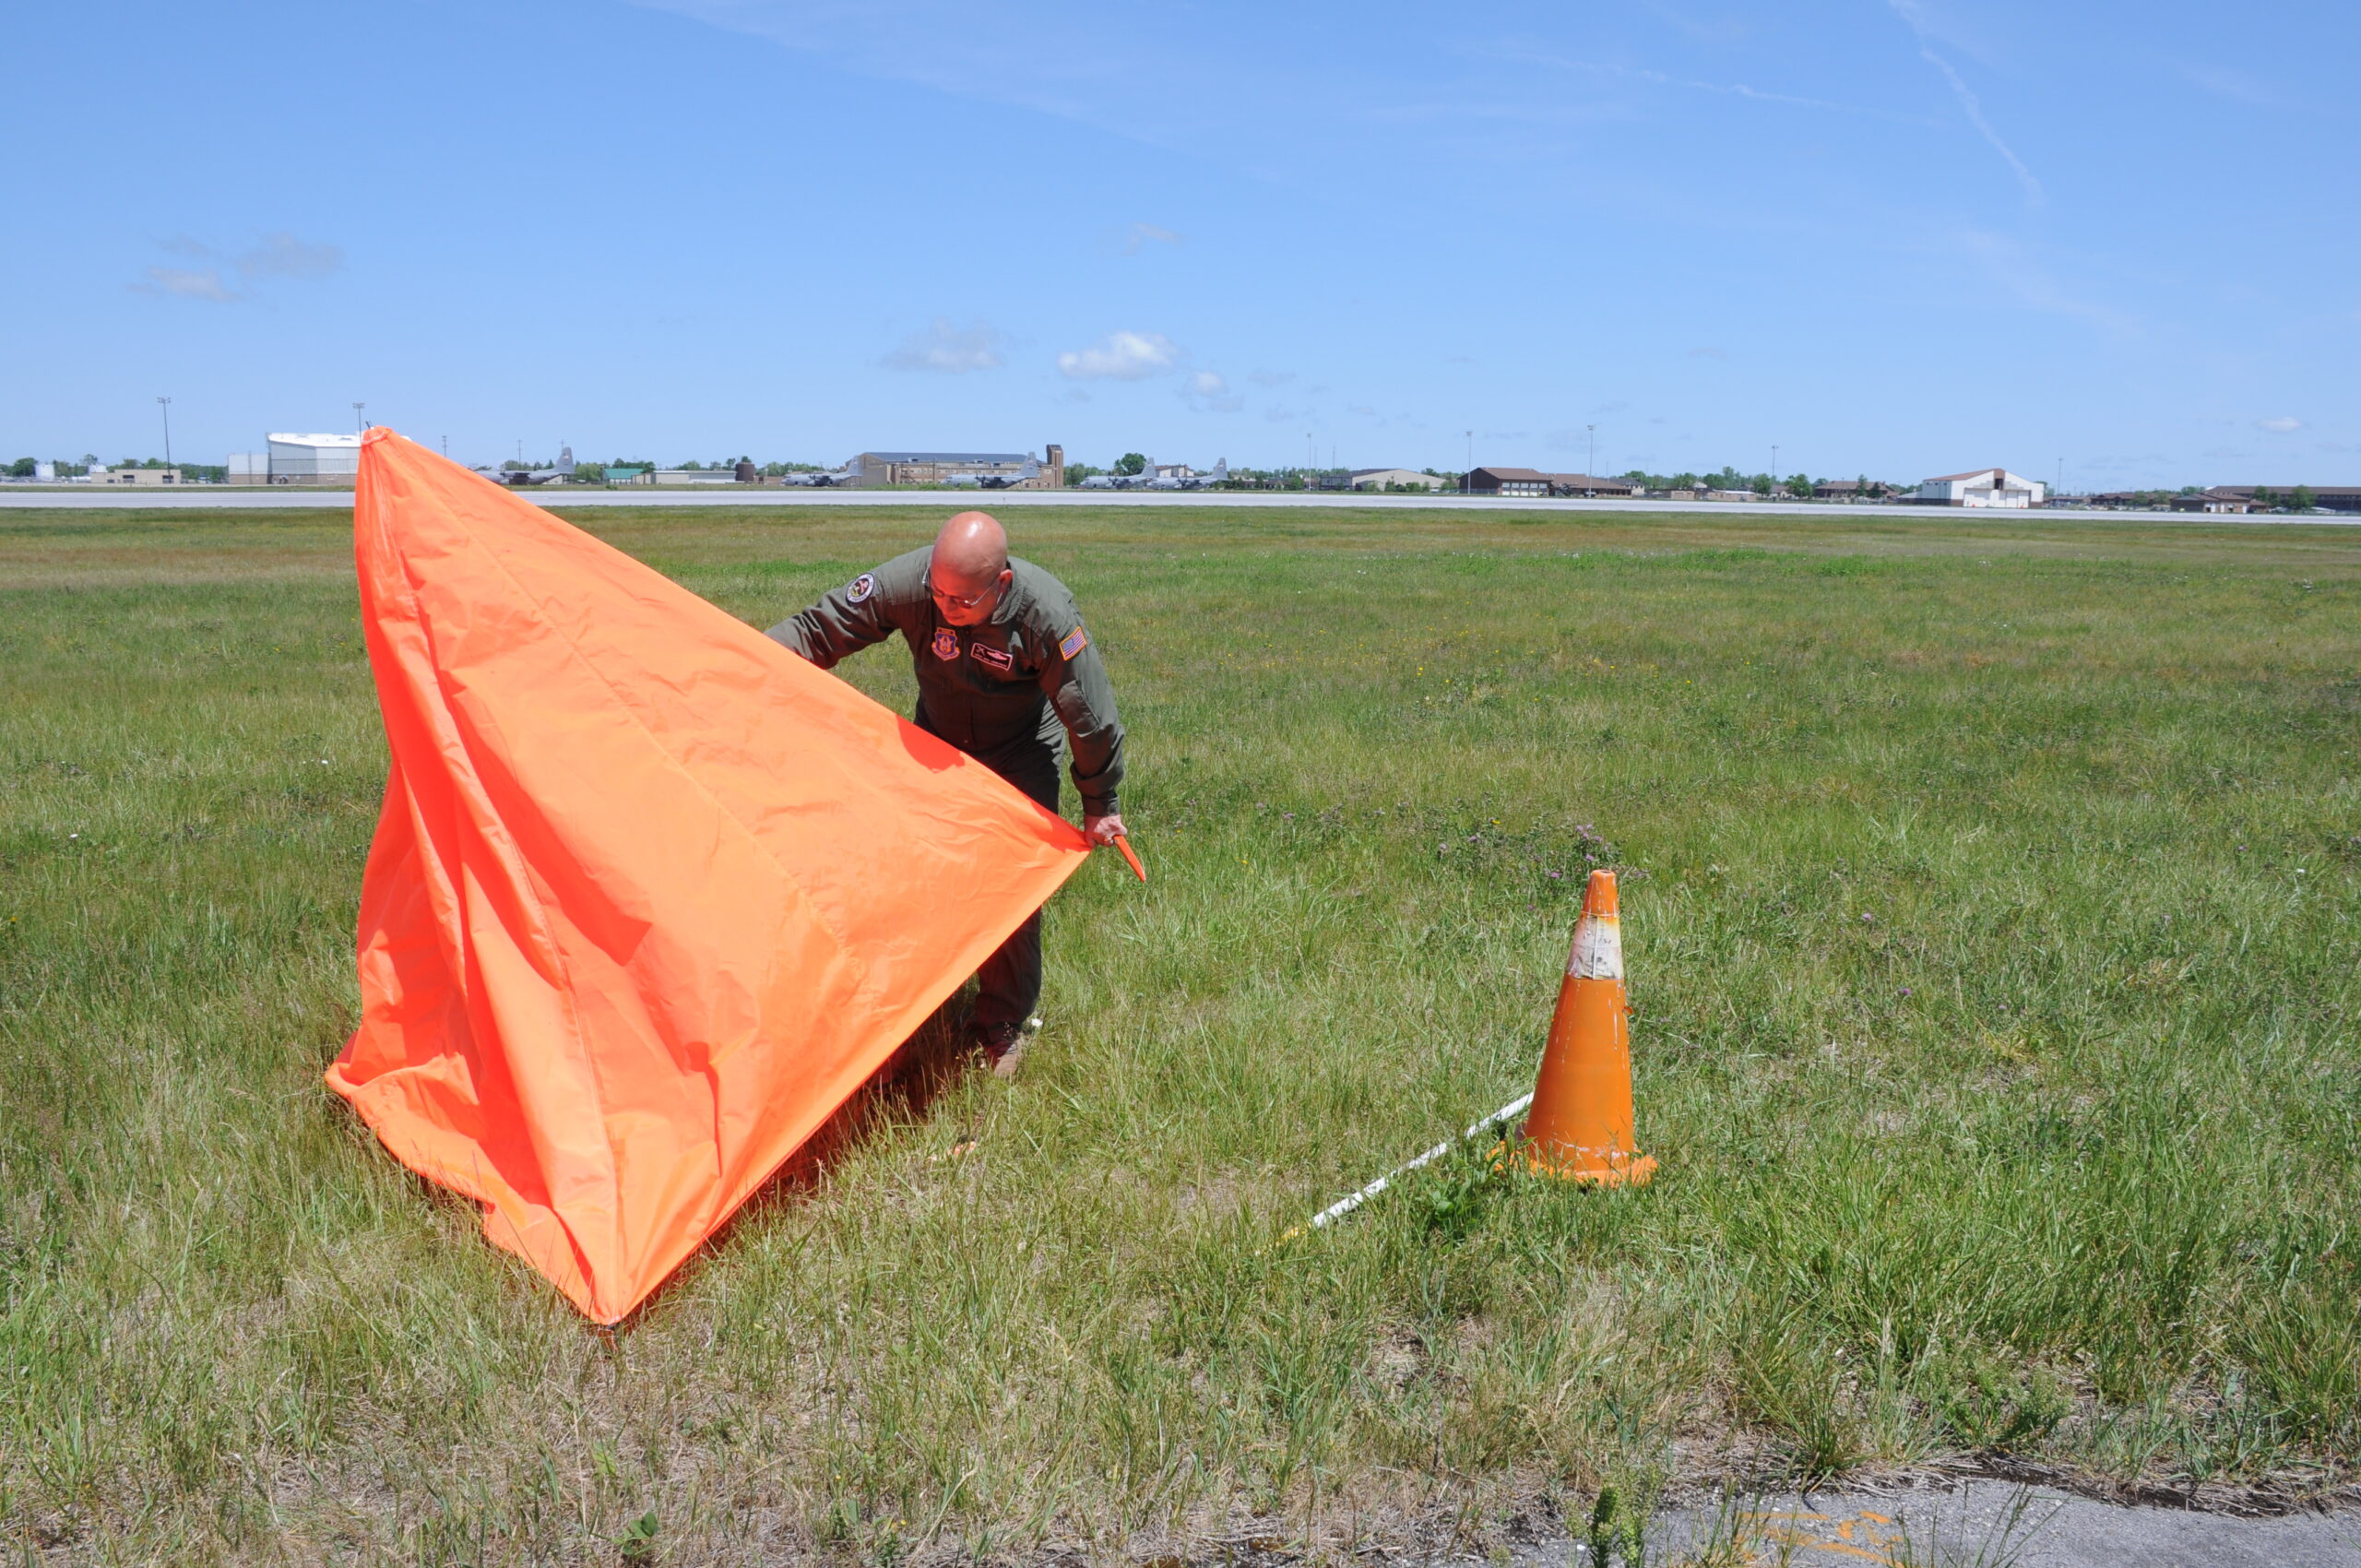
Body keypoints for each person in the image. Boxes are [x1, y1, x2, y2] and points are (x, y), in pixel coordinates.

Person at [767, 510, 1126, 1075]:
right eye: (939, 593)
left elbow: (1089, 715)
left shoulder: (1045, 613)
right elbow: (819, 628)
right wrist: (745, 659)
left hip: (1020, 750)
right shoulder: (914, 583)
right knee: (914, 876)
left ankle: (1002, 1023)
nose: (947, 608)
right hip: (935, 746)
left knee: (1009, 884)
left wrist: (1101, 803)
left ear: (1001, 584)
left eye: (963, 600)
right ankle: (905, 1012)